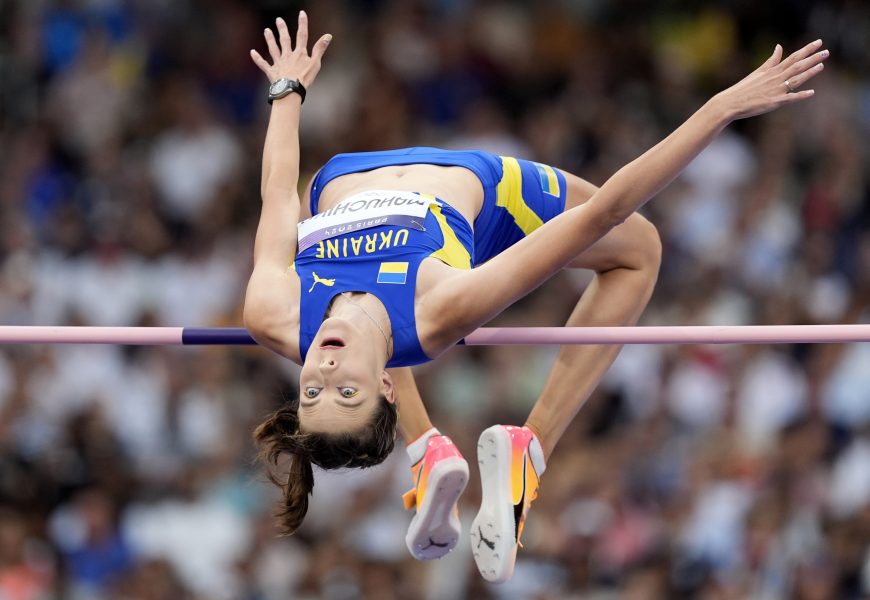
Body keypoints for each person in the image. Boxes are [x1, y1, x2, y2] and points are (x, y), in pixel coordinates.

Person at [242, 12, 827, 583]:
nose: (325, 364)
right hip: (485, 191)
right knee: (639, 251)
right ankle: (529, 448)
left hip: (341, 175)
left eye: (313, 388)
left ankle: (427, 450)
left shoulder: (276, 313)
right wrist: (720, 108)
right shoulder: (440, 307)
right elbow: (605, 213)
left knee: (367, 322)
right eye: (347, 390)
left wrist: (287, 91)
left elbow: (276, 196)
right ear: (387, 383)